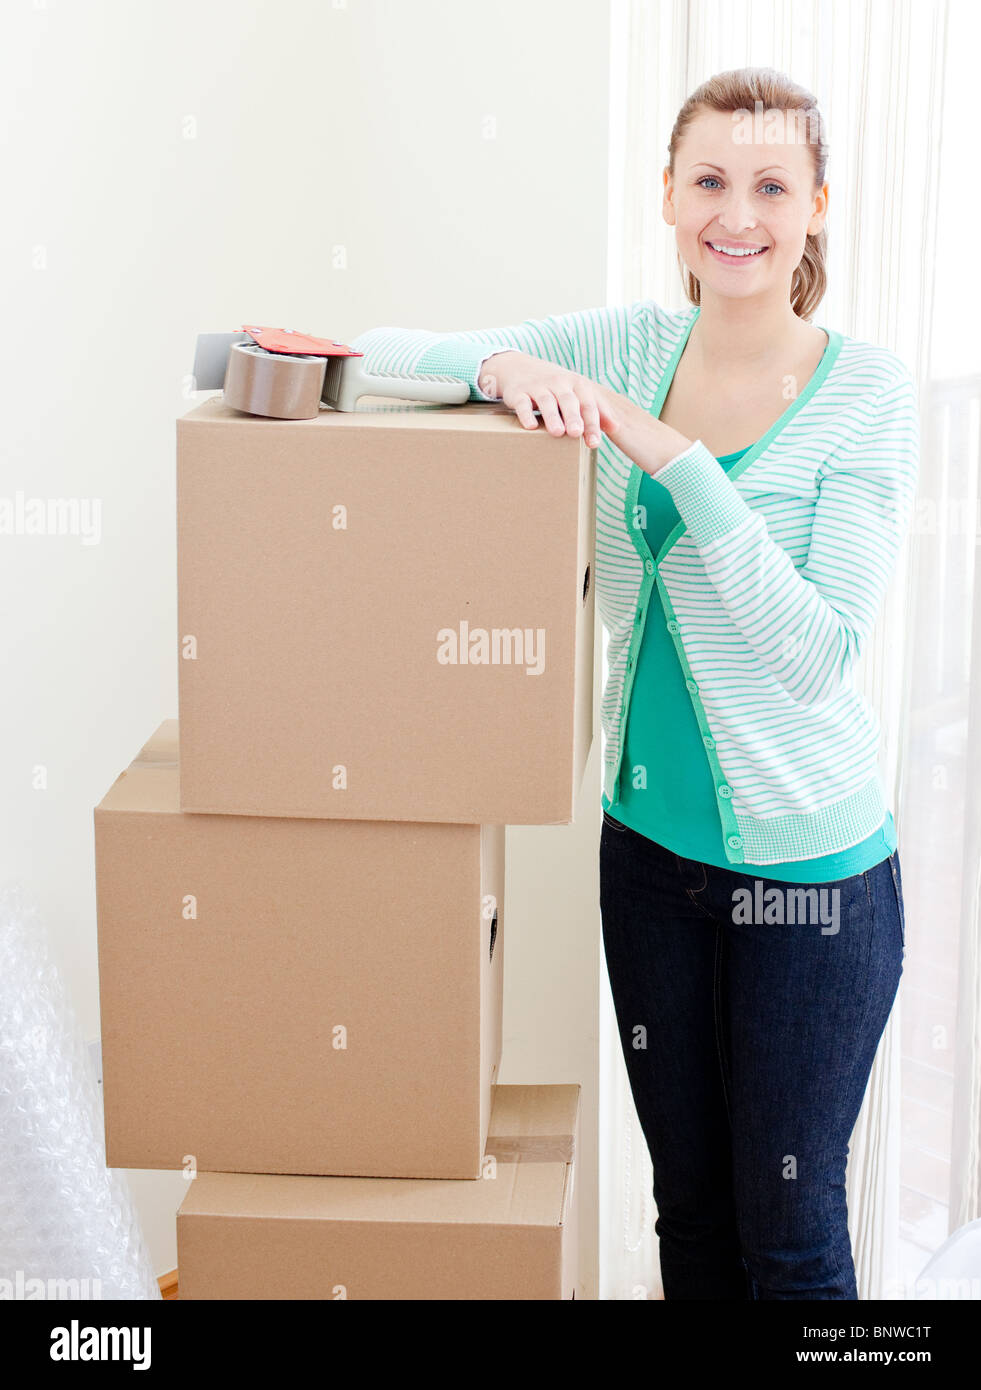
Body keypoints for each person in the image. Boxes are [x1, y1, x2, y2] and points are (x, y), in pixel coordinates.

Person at [351, 66, 918, 1300]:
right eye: (710, 179)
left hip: (812, 891)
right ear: (668, 195)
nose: (739, 213)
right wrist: (504, 369)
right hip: (648, 861)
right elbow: (387, 361)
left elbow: (819, 652)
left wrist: (671, 453)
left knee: (792, 1235)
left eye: (772, 184)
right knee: (692, 1221)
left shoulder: (868, 393)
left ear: (819, 203)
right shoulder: (627, 344)